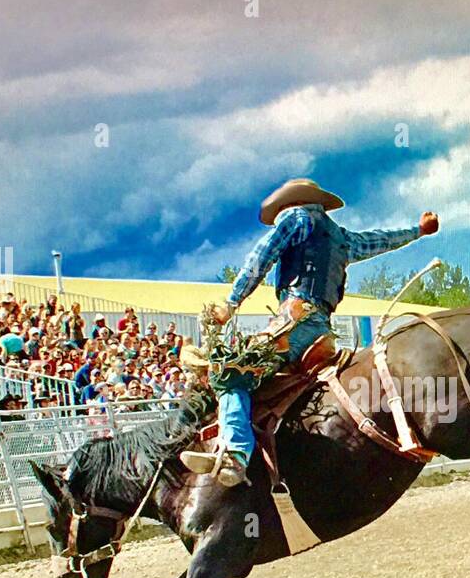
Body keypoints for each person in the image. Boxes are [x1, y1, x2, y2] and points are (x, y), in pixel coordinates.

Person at [184, 178, 439, 485]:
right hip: (323, 333)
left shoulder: (296, 217)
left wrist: (231, 303)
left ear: (291, 201)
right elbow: (381, 240)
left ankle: (235, 455)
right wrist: (417, 230)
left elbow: (261, 256)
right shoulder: (341, 237)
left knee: (229, 372)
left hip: (293, 324)